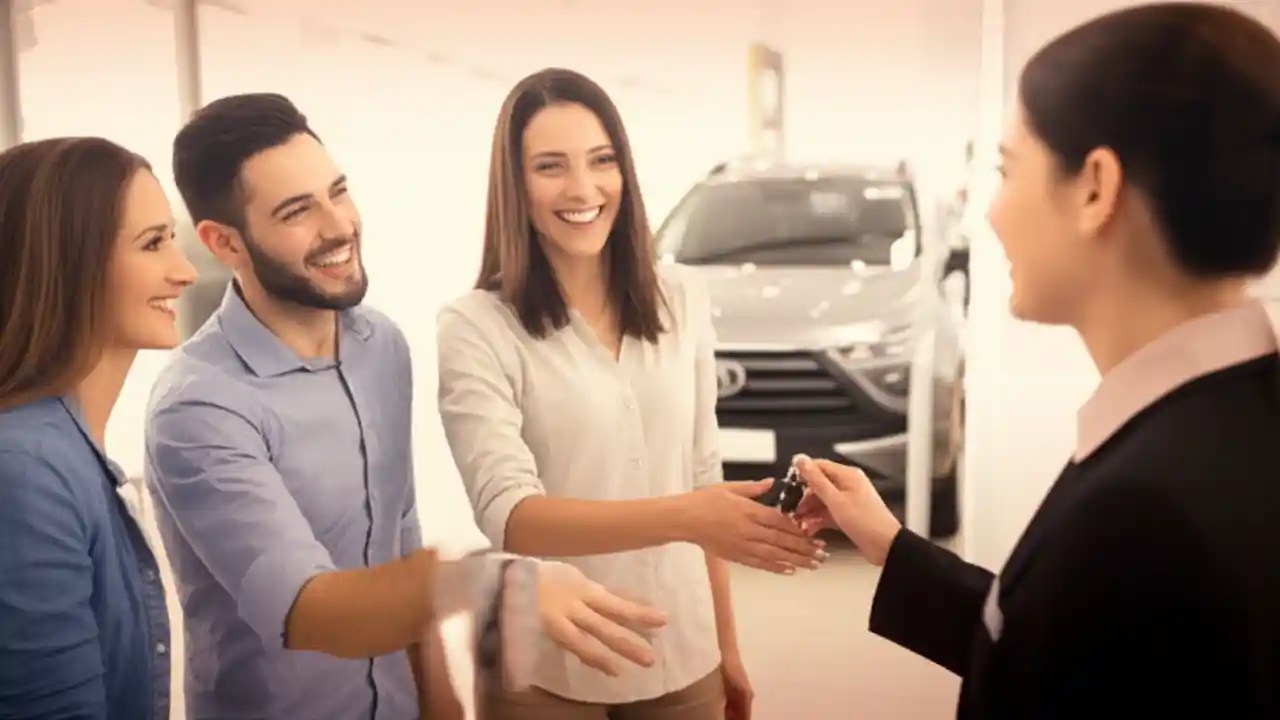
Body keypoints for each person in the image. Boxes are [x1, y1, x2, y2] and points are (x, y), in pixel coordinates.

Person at [792, 4, 1280, 718]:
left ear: (1094, 188)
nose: (990, 213)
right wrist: (894, 547)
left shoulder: (1143, 511)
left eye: (1007, 169)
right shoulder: (1223, 429)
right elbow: (1070, 650)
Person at [144, 92, 667, 720]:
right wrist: (497, 580)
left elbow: (397, 538)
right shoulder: (199, 408)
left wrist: (442, 704)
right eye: (296, 212)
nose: (338, 226)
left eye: (338, 191)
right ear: (223, 242)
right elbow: (310, 609)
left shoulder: (379, 346)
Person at [436, 67, 827, 720]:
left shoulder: (682, 298)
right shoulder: (475, 326)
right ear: (515, 185)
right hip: (535, 657)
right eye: (551, 167)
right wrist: (688, 514)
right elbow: (511, 513)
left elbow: (703, 471)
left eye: (602, 161)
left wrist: (728, 647)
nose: (583, 188)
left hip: (679, 645)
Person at [0, 137, 198, 718]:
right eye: (152, 243)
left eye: (173, 239)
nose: (183, 271)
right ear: (70, 261)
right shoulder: (29, 471)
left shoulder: (62, 456)